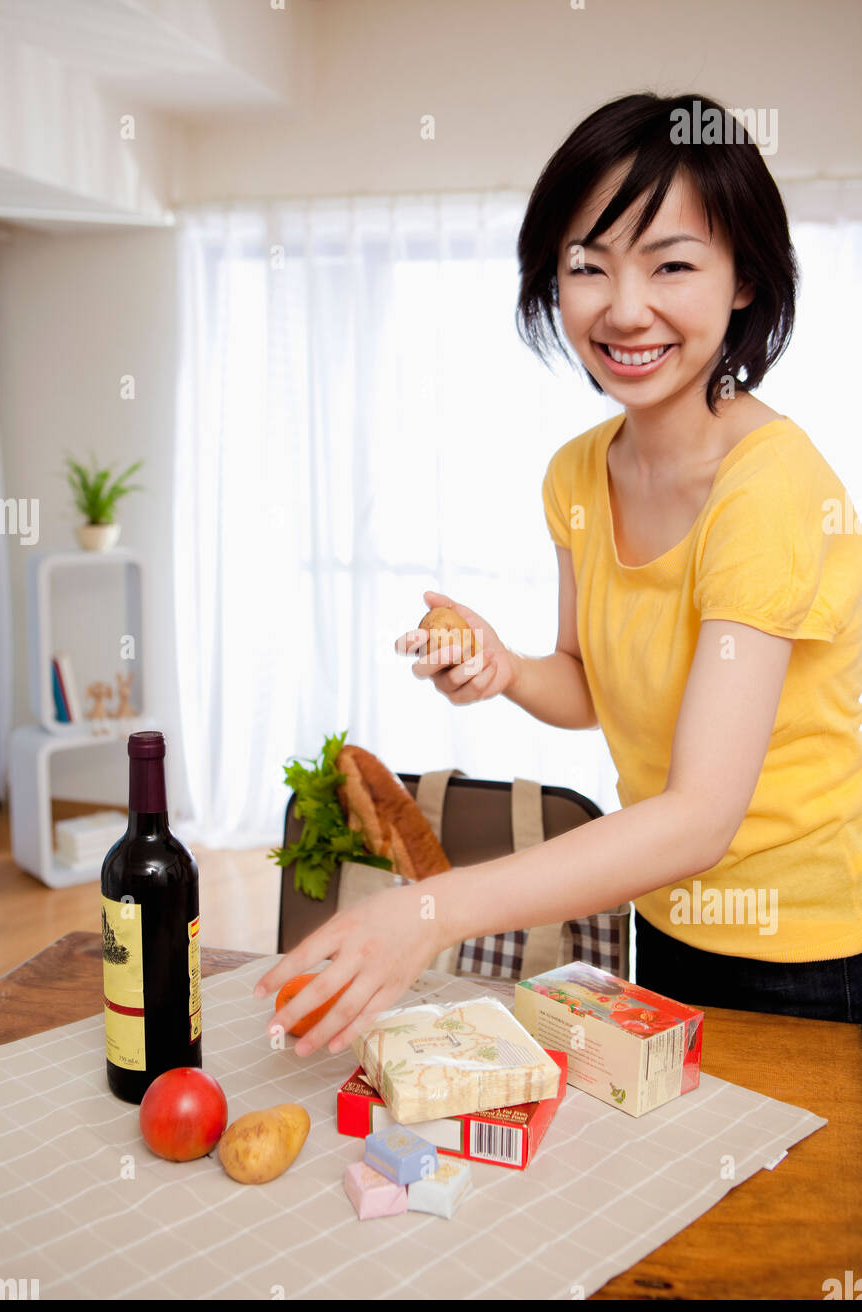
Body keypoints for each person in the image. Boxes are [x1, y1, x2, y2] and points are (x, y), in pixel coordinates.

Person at [255, 91, 862, 1051]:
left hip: (813, 951)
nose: (625, 309)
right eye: (589, 266)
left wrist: (431, 912)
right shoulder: (580, 472)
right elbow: (588, 684)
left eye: (672, 265)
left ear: (743, 279)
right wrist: (505, 668)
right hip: (659, 912)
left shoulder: (772, 489)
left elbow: (703, 816)